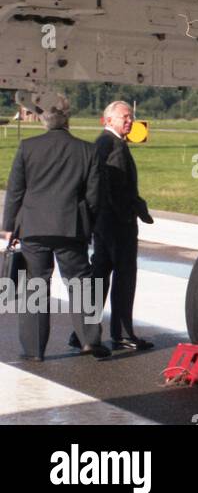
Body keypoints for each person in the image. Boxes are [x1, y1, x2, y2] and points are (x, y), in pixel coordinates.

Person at [1, 99, 111, 360]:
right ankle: (89, 340)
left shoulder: (28, 147)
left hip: (33, 227)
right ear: (68, 120)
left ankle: (34, 349)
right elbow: (95, 196)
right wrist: (88, 224)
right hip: (70, 227)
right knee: (81, 282)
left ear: (44, 121)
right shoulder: (87, 150)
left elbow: (16, 189)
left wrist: (8, 226)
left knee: (35, 286)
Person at [89, 101, 153, 351]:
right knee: (124, 278)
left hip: (104, 223)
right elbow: (114, 188)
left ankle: (83, 331)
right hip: (117, 224)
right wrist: (130, 212)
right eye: (125, 117)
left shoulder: (103, 143)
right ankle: (123, 333)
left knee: (99, 276)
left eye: (131, 117)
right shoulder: (113, 146)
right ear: (109, 120)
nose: (130, 121)